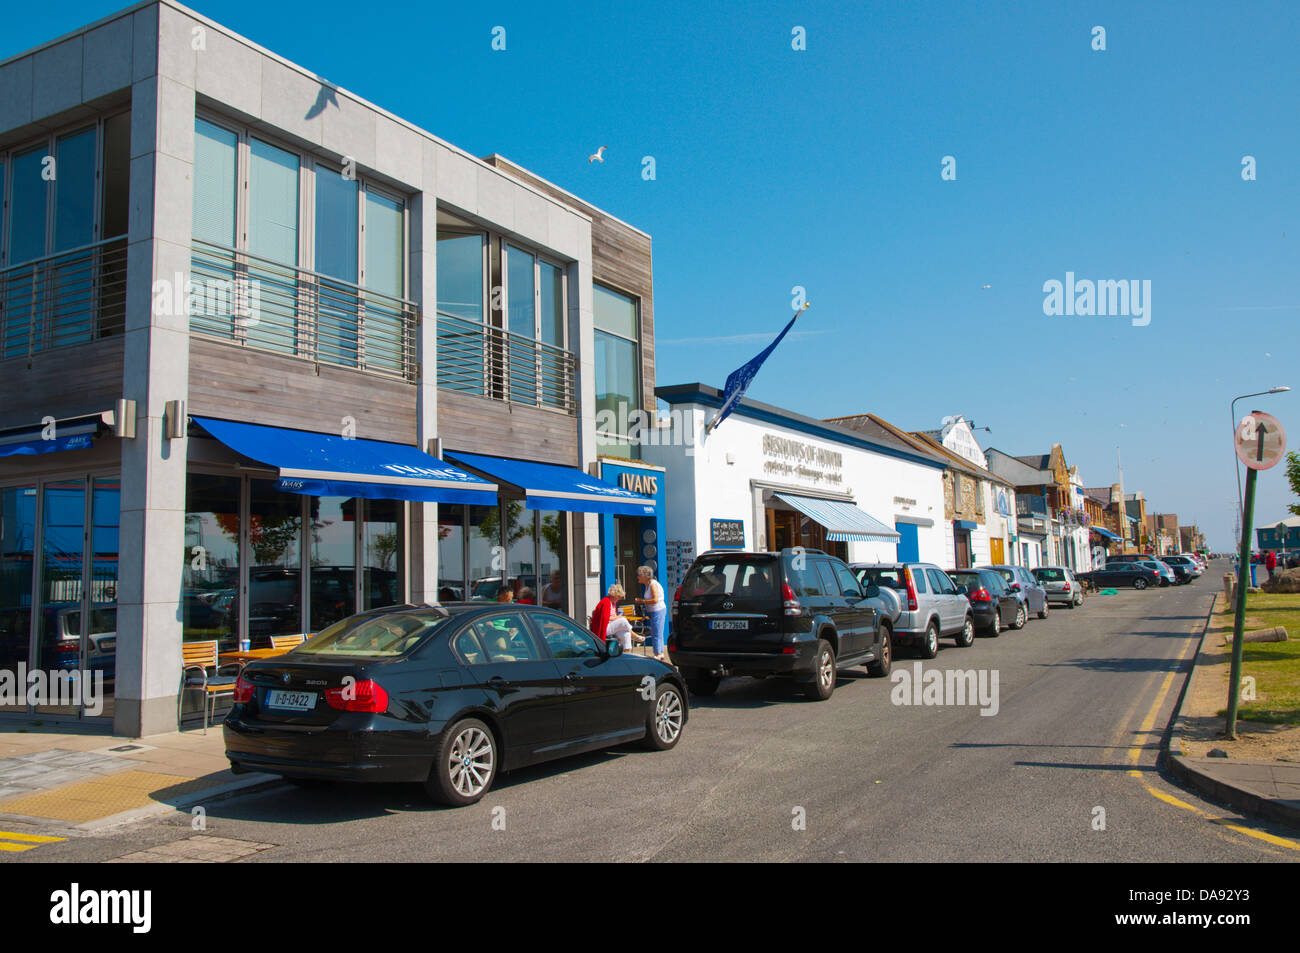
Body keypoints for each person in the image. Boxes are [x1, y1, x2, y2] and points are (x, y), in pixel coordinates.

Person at [635, 565, 669, 661]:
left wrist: (642, 601)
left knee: (656, 632)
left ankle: (658, 653)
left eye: (639, 575)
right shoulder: (648, 585)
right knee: (657, 632)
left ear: (645, 576)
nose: (638, 577)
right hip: (653, 611)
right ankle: (660, 652)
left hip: (657, 610)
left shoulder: (653, 584)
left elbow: (655, 600)